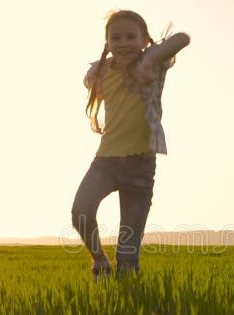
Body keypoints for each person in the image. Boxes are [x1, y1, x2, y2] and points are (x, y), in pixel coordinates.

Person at [72, 10, 190, 281]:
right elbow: (88, 81)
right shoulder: (101, 71)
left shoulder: (155, 64)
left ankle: (129, 303)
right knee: (80, 210)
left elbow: (182, 38)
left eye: (130, 36)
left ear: (143, 40)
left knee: (127, 260)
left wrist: (149, 58)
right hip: (106, 161)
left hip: (140, 165)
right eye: (116, 37)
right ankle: (99, 260)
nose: (123, 42)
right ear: (107, 43)